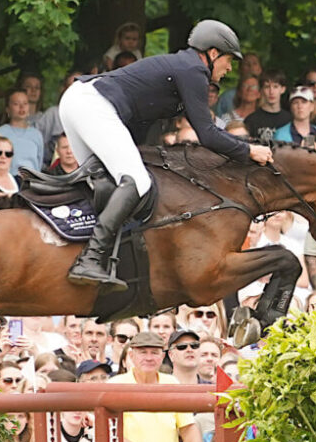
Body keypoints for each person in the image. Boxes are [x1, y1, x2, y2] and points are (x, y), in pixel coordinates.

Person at [57, 19, 272, 291]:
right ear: (213, 53)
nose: (229, 68)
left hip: (78, 101)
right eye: (229, 60)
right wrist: (249, 149)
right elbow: (206, 133)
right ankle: (90, 258)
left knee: (105, 183)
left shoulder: (183, 67)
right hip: (92, 105)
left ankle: (94, 256)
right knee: (137, 181)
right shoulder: (194, 70)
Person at [109, 331, 215, 442]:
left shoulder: (172, 383)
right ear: (131, 355)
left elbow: (187, 426)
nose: (149, 357)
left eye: (154, 352)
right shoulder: (115, 385)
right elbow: (110, 435)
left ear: (163, 356)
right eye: (143, 352)